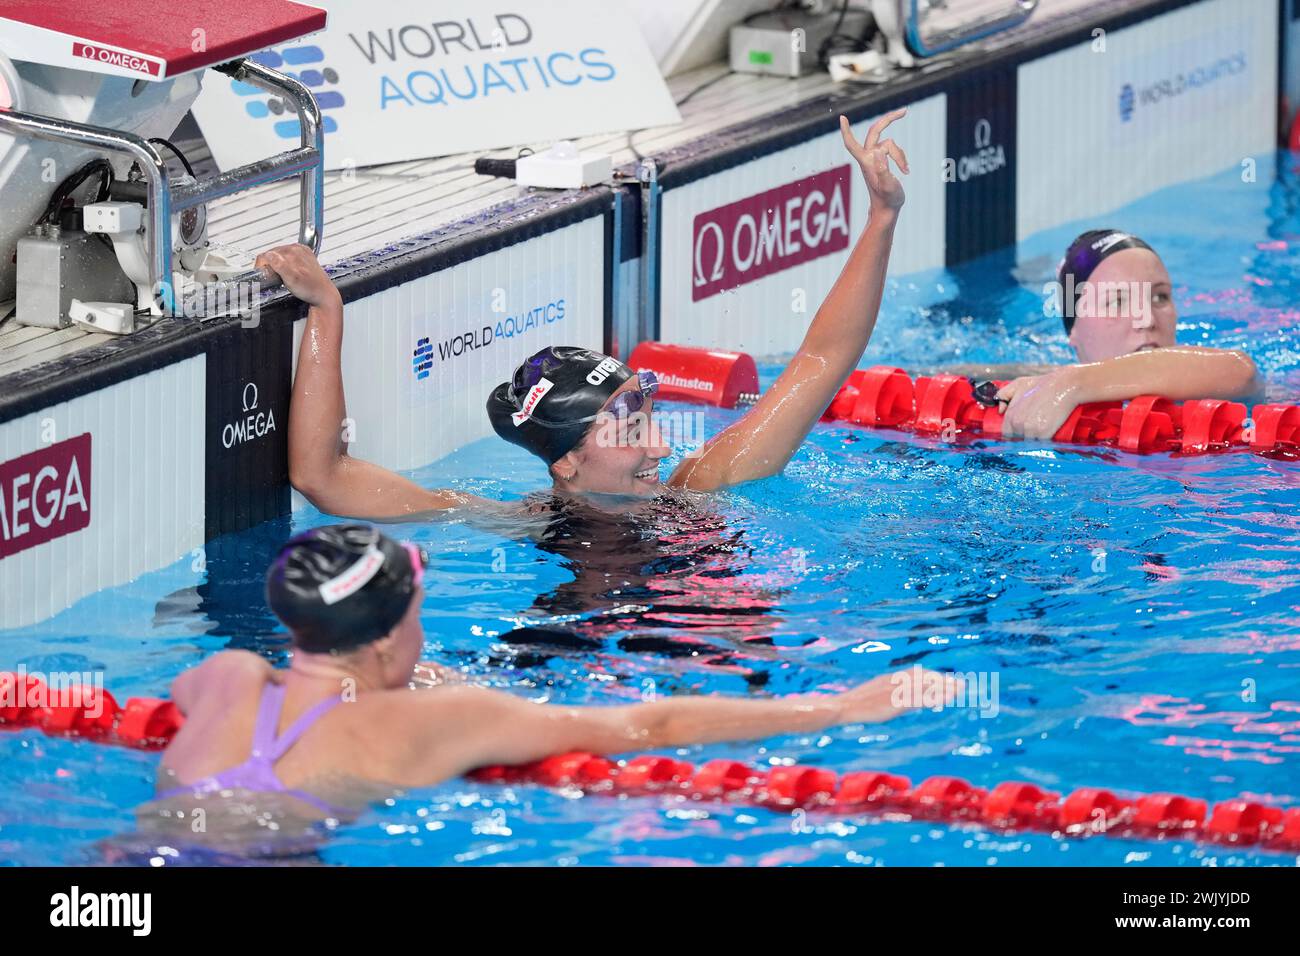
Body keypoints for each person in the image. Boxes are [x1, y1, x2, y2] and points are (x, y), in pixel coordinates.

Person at [264, 110, 910, 520]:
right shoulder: (501, 518)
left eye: (648, 418)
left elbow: (822, 362)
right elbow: (321, 476)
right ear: (565, 463)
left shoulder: (703, 488)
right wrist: (327, 309)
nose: (659, 445)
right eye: (630, 427)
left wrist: (882, 216)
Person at [153, 524, 956, 817]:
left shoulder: (225, 675)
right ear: (394, 627)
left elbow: (223, 688)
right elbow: (655, 724)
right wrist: (845, 707)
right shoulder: (437, 717)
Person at [987, 230, 1260, 440]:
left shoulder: (1209, 378)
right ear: (1074, 328)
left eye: (1159, 297)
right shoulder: (1045, 378)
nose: (1147, 319)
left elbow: (1242, 371)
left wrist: (1075, 384)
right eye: (1117, 301)